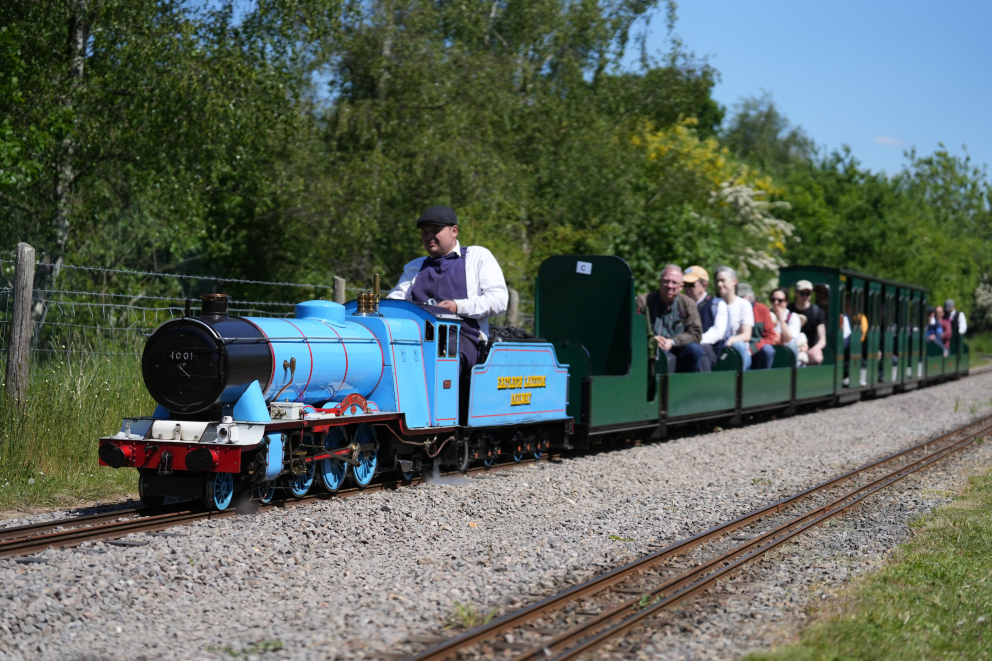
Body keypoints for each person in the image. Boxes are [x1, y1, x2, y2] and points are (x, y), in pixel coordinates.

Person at [387, 205, 508, 375]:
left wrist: (457, 307)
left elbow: (499, 300)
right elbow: (394, 303)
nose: (429, 236)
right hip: (418, 336)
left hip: (465, 337)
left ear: (454, 231)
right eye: (425, 232)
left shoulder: (477, 257)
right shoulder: (414, 267)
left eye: (435, 231)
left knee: (443, 354)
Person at [635, 265, 704, 373]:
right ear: (659, 282)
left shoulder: (688, 304)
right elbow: (632, 328)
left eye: (674, 282)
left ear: (681, 286)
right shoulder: (643, 301)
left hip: (677, 350)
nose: (670, 286)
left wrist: (673, 342)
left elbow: (695, 332)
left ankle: (682, 381)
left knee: (695, 350)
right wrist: (651, 340)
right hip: (647, 351)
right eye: (666, 281)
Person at [682, 265, 727, 372]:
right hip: (685, 347)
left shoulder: (717, 304)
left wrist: (692, 340)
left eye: (691, 285)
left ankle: (704, 382)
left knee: (698, 349)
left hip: (709, 352)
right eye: (685, 285)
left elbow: (717, 332)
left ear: (704, 285)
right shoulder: (680, 305)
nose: (687, 289)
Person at [714, 266, 753, 370]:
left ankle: (741, 378)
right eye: (717, 281)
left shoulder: (744, 305)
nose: (719, 284)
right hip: (717, 348)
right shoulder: (713, 304)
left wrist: (730, 341)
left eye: (723, 280)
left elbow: (746, 335)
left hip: (738, 351)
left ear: (734, 281)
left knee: (739, 345)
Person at [738, 283, 778, 369]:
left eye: (741, 297)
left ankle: (763, 376)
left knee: (768, 350)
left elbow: (770, 336)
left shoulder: (762, 309)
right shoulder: (734, 309)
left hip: (758, 348)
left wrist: (754, 347)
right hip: (739, 346)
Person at [788, 279, 826, 365]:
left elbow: (822, 339)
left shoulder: (817, 312)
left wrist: (815, 348)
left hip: (809, 349)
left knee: (817, 357)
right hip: (790, 346)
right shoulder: (788, 309)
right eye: (802, 293)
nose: (805, 296)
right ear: (796, 293)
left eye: (808, 293)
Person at [769, 287, 802, 360]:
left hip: (785, 353)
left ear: (786, 302)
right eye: (773, 300)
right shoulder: (766, 314)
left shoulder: (793, 317)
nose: (776, 303)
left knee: (791, 345)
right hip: (769, 349)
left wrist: (781, 320)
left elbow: (788, 339)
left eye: (780, 300)